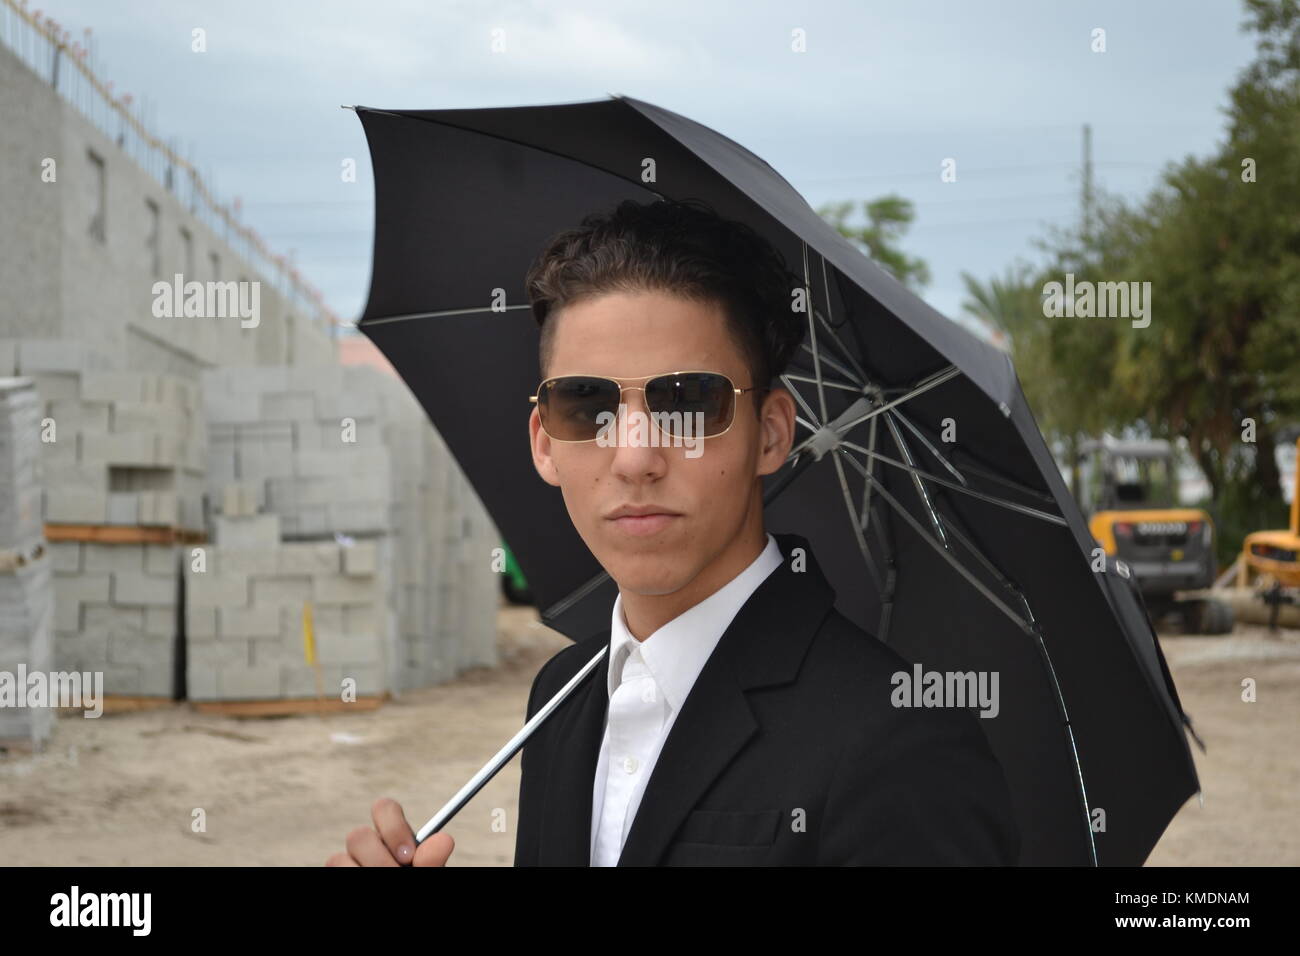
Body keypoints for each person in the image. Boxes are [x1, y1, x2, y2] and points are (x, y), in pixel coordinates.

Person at [327, 197, 1019, 867]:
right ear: (544, 442)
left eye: (687, 402)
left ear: (772, 432)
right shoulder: (561, 699)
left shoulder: (899, 741)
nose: (634, 456)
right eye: (586, 404)